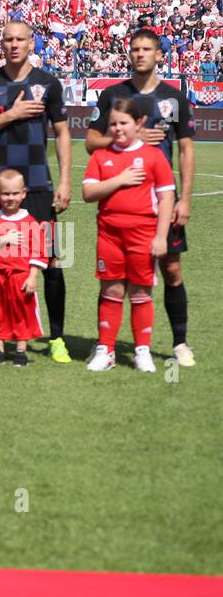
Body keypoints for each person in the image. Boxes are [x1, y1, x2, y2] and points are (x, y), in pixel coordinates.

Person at [0, 21, 73, 363]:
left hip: (39, 185)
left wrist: (66, 179)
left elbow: (62, 131)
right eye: (8, 39)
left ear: (31, 44)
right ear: (2, 44)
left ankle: (56, 339)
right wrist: (10, 115)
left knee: (53, 260)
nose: (14, 45)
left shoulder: (48, 83)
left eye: (20, 40)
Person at [87, 28, 197, 366]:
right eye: (135, 48)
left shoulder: (173, 97)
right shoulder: (114, 96)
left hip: (162, 199)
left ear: (158, 55)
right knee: (114, 277)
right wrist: (124, 139)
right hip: (122, 198)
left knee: (172, 270)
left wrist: (185, 199)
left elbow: (185, 148)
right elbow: (92, 140)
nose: (140, 54)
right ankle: (106, 346)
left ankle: (179, 343)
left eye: (147, 49)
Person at [81, 98, 175, 374]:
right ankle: (105, 350)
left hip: (143, 234)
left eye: (124, 123)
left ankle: (141, 351)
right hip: (108, 234)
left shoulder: (153, 156)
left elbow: (166, 197)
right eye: (113, 124)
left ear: (138, 124)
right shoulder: (101, 156)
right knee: (110, 291)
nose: (118, 129)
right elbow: (88, 193)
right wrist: (120, 180)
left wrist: (161, 237)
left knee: (140, 292)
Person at [0, 169, 49, 367]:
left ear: (24, 193)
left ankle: (20, 350)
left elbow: (39, 252)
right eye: (6, 193)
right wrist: (3, 239)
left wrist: (33, 276)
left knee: (21, 312)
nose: (11, 198)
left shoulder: (31, 222)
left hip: (21, 276)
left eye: (15, 193)